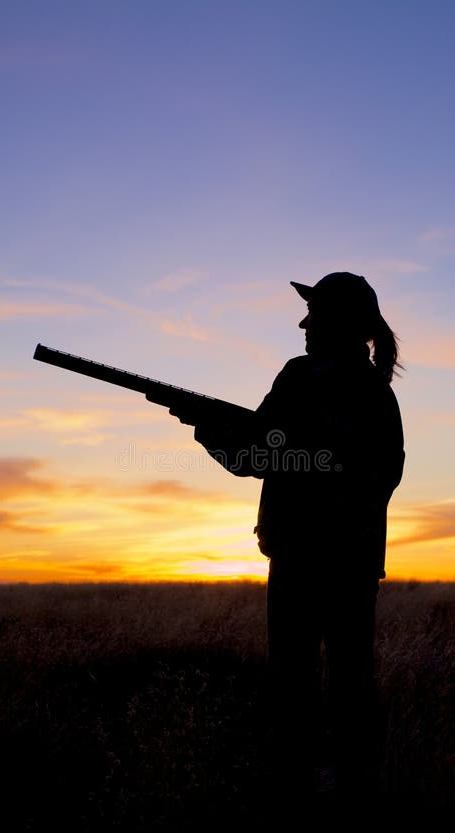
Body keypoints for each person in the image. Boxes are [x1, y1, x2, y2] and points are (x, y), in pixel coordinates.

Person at [176, 272, 405, 796]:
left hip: (302, 561)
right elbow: (377, 474)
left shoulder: (302, 377)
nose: (304, 322)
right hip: (353, 562)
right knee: (352, 686)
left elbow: (254, 456)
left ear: (340, 323)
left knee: (293, 688)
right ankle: (355, 795)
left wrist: (206, 429)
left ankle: (294, 801)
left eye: (315, 313)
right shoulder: (376, 391)